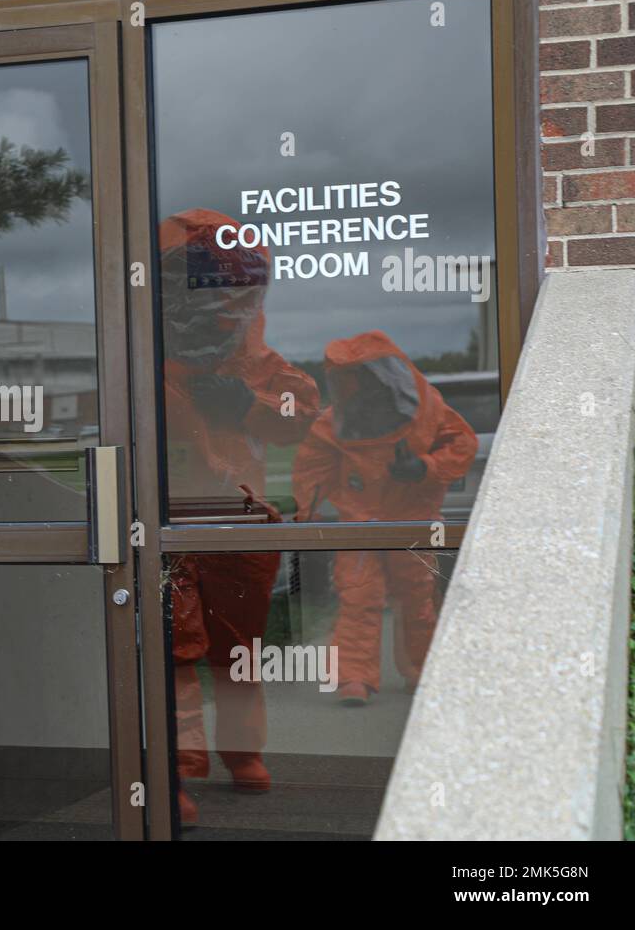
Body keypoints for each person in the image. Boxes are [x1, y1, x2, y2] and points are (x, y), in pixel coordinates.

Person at [159, 209, 320, 819]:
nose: (217, 300)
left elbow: (300, 413)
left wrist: (248, 403)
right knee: (174, 650)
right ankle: (175, 770)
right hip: (169, 521)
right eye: (203, 282)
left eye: (228, 286)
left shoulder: (258, 366)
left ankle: (240, 751)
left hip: (240, 522)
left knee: (239, 651)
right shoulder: (145, 360)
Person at [292, 330, 477, 705]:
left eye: (371, 375)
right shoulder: (336, 422)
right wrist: (307, 515)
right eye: (357, 378)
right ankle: (354, 678)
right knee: (359, 597)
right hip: (360, 524)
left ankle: (422, 671)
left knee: (417, 600)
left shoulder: (427, 410)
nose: (367, 385)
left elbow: (463, 444)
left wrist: (425, 467)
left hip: (412, 518)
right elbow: (311, 468)